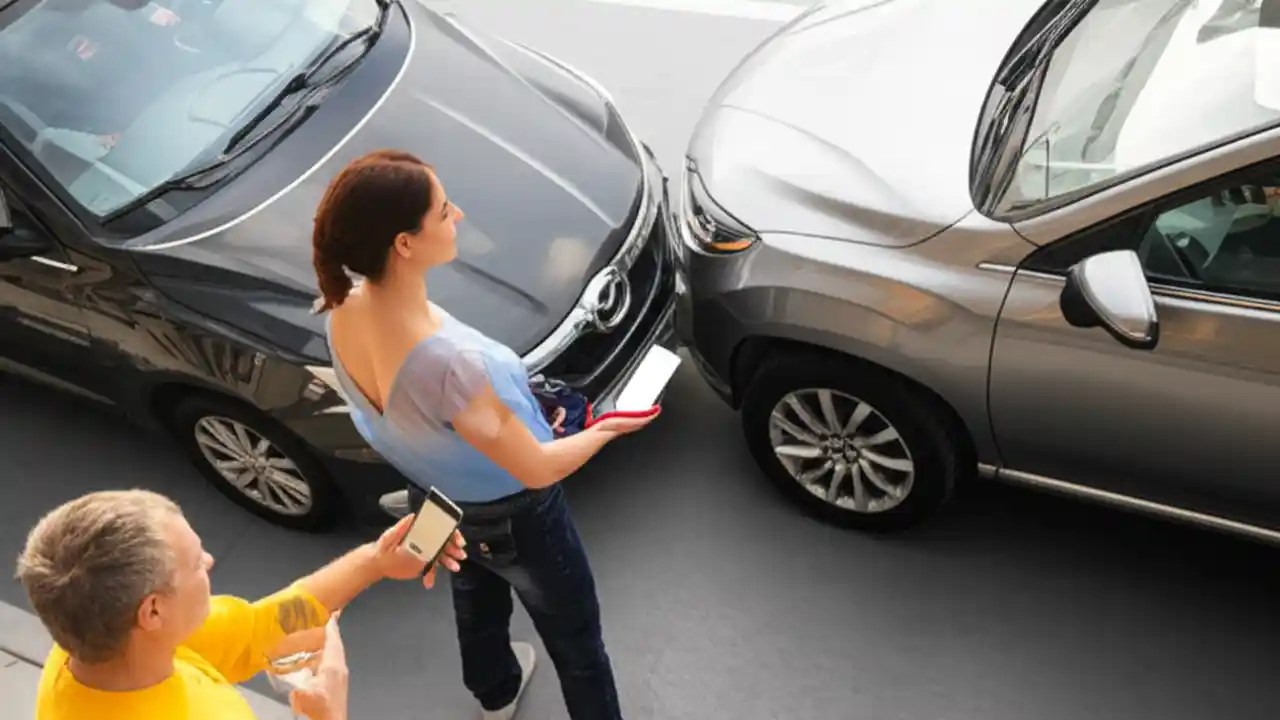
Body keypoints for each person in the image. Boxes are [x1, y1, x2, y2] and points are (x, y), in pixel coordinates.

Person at [312, 149, 659, 720]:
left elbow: (431, 418)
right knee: (577, 643)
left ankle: (495, 691)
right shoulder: (452, 365)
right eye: (444, 211)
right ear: (404, 243)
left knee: (472, 592)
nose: (460, 216)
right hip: (518, 516)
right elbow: (537, 470)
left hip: (436, 499)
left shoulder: (342, 312)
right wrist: (609, 429)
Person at [15, 488, 466, 720]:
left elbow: (267, 625)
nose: (209, 561)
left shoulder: (98, 644)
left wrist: (375, 563)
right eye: (194, 563)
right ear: (152, 611)